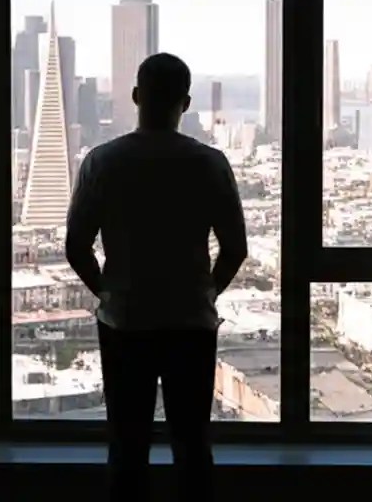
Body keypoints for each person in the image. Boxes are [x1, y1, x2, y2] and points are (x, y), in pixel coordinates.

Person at [65, 52, 248, 502]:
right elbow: (236, 248)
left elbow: (76, 247)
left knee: (127, 450)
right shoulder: (210, 163)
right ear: (185, 103)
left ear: (135, 97)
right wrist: (207, 292)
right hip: (190, 323)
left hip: (125, 322)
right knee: (192, 448)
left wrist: (108, 292)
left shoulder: (102, 162)